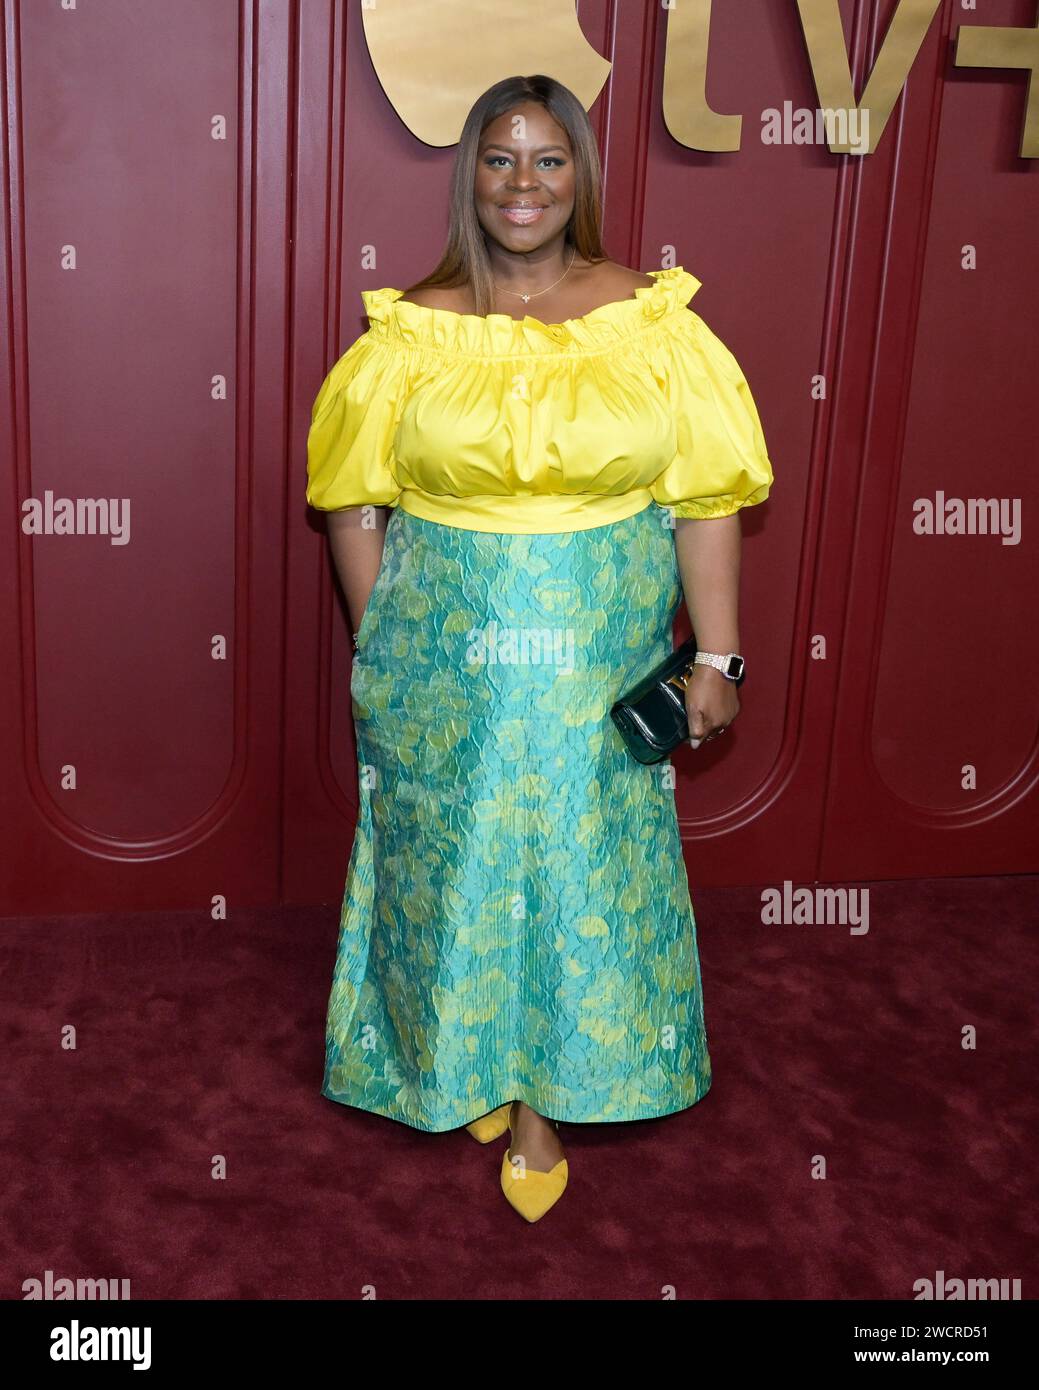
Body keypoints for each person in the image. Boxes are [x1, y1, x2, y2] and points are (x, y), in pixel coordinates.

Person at [306, 73, 773, 1222]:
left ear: (581, 177)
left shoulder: (653, 323)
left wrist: (718, 657)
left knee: (576, 865)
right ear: (470, 174)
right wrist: (383, 644)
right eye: (501, 158)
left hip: (594, 651)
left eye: (549, 159)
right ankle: (458, 1058)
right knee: (450, 859)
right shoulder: (411, 329)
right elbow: (352, 503)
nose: (524, 184)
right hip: (441, 663)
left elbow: (705, 501)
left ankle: (543, 1101)